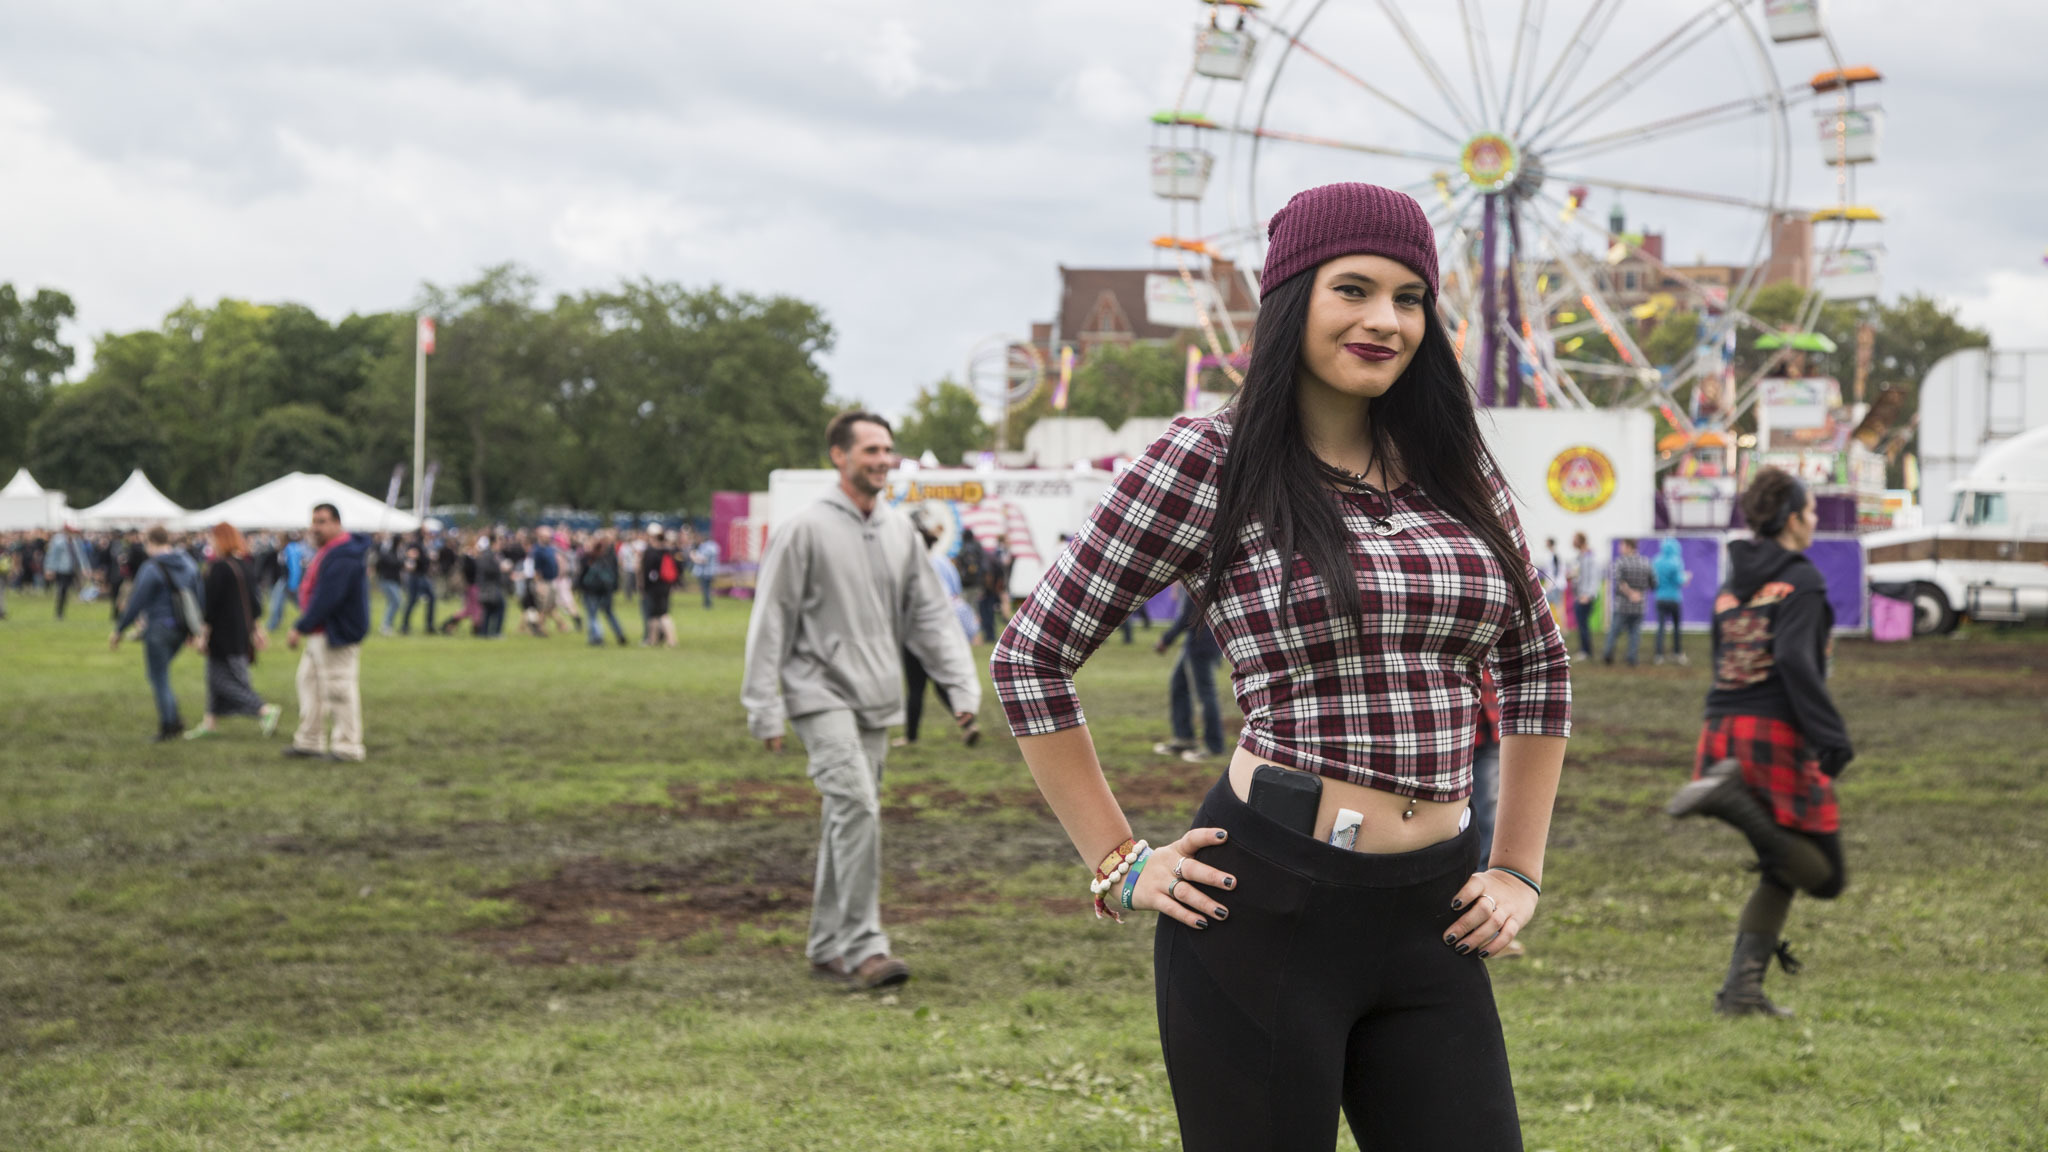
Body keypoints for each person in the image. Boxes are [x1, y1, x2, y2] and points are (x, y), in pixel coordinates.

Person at [990, 183, 1571, 1151]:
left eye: (1408, 297)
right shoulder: (1208, 461)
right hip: (1262, 909)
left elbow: (1537, 669)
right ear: (1289, 297)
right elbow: (1031, 657)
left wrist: (1516, 868)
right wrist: (1117, 863)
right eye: (1352, 289)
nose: (1383, 320)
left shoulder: (1456, 472)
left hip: (1435, 913)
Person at [742, 411, 982, 993]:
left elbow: (929, 615)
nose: (882, 459)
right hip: (816, 692)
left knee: (847, 813)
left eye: (888, 449)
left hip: (876, 696)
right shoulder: (803, 529)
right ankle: (863, 946)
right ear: (839, 456)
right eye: (870, 449)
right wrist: (764, 705)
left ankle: (827, 944)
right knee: (856, 806)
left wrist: (960, 685)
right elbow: (769, 618)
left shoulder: (901, 530)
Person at [1668, 467, 1852, 1018]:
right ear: (1793, 518)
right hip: (1771, 731)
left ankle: (1742, 992)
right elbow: (1796, 661)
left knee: (1782, 864)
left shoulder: (1732, 584)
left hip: (1722, 729)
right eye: (1812, 511)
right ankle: (1734, 805)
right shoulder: (1802, 579)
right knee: (1827, 876)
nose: (1815, 520)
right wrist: (1831, 736)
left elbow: (1720, 660)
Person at [284, 503, 371, 762]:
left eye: (322, 521)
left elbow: (328, 598)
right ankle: (310, 740)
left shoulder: (343, 555)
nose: (315, 527)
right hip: (321, 632)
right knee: (309, 684)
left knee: (339, 689)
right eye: (314, 521)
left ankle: (347, 747)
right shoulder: (331, 552)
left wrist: (301, 626)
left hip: (336, 632)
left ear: (336, 523)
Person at [188, 523, 281, 739]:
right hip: (241, 631)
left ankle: (263, 710)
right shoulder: (245, 565)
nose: (210, 544)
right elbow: (255, 602)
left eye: (213, 539)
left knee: (224, 680)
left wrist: (203, 634)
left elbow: (210, 606)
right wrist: (257, 629)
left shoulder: (219, 568)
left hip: (223, 633)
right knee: (215, 675)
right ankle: (210, 722)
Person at [896, 511, 980, 748]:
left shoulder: (909, 567)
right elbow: (955, 592)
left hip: (915, 635)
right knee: (943, 681)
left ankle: (910, 737)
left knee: (916, 688)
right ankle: (967, 723)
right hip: (942, 632)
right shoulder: (942, 562)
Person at [110, 525, 203, 741]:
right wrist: (196, 628)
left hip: (159, 628)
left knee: (158, 676)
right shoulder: (188, 564)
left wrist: (119, 629)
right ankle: (173, 718)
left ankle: (170, 724)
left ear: (151, 542)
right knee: (160, 674)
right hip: (181, 628)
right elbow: (199, 595)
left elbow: (136, 602)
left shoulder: (151, 568)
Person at [1151, 589, 1224, 763]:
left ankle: (1214, 746)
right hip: (1199, 642)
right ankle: (1184, 739)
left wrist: (1166, 640)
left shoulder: (1198, 578)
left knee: (1205, 695)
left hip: (1200, 644)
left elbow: (1187, 617)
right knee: (1179, 685)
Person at [1602, 538, 1654, 667]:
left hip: (1623, 605)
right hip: (1639, 605)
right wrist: (1639, 593)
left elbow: (1619, 583)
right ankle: (1632, 658)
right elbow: (1653, 583)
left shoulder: (1620, 562)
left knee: (1614, 631)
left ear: (1629, 547)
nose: (1620, 549)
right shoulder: (1646, 562)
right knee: (1635, 634)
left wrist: (1630, 594)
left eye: (1622, 546)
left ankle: (1608, 655)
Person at [578, 531, 628, 646]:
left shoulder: (590, 555)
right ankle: (619, 633)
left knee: (592, 614)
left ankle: (597, 636)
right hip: (606, 588)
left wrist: (579, 586)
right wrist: (615, 586)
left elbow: (582, 573)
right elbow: (615, 572)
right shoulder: (611, 555)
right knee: (609, 612)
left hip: (591, 589)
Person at [1652, 537, 1690, 665]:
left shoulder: (1656, 561)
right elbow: (1679, 581)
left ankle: (1659, 655)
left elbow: (1653, 581)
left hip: (1660, 598)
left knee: (1661, 627)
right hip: (1674, 598)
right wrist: (1686, 577)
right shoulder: (1677, 562)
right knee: (1676, 627)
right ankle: (1677, 653)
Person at [640, 528, 679, 648]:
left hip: (653, 587)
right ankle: (653, 639)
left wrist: (643, 587)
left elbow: (646, 572)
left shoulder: (651, 553)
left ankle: (671, 639)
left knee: (661, 614)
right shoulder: (669, 552)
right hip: (665, 585)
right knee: (656, 614)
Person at [45, 523, 86, 619]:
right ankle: (59, 612)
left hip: (72, 569)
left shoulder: (75, 541)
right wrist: (50, 569)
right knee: (62, 590)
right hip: (62, 569)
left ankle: (68, 607)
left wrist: (84, 567)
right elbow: (52, 556)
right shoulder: (58, 541)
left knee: (71, 589)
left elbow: (81, 555)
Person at [1569, 532, 1600, 659]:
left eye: (1574, 539)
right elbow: (1578, 575)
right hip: (1579, 595)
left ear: (1580, 541)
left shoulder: (1590, 557)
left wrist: (1588, 595)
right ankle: (1585, 650)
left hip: (1585, 597)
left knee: (1583, 625)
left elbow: (1593, 577)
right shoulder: (1579, 558)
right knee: (1581, 624)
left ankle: (1586, 651)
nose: (1572, 542)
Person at [401, 533, 437, 634]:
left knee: (430, 598)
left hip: (423, 576)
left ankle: (428, 625)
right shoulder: (416, 544)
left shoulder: (425, 545)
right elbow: (411, 556)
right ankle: (405, 625)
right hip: (416, 577)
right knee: (413, 601)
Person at [373, 535, 405, 637]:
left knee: (394, 602)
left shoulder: (396, 552)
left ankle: (387, 624)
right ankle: (385, 625)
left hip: (393, 581)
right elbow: (393, 563)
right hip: (387, 580)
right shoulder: (388, 552)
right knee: (396, 602)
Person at [690, 531, 721, 610]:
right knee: (708, 588)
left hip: (705, 571)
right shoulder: (715, 546)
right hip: (712, 571)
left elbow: (703, 559)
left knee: (705, 588)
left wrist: (693, 556)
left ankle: (707, 604)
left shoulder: (706, 547)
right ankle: (707, 602)